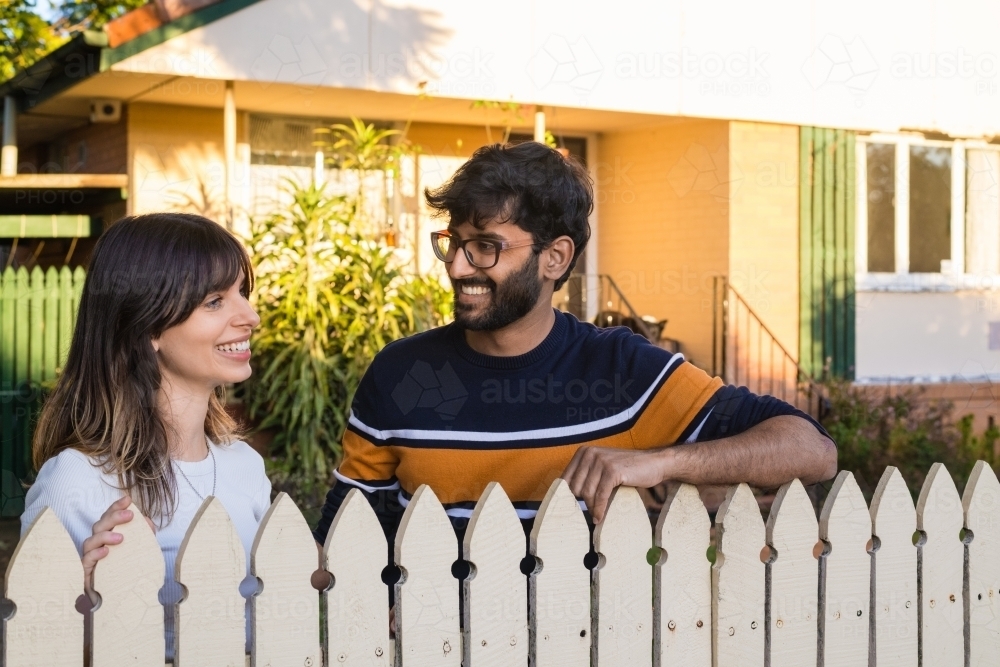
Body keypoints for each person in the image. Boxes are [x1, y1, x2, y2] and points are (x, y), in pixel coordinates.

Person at [312, 141, 836, 557]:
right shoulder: (400, 372)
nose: (457, 266)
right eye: (453, 242)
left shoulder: (622, 371)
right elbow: (344, 534)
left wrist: (661, 462)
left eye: (486, 247)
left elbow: (812, 450)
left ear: (556, 258)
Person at [20, 213, 270, 659]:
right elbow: (38, 642)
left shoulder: (245, 466)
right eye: (215, 301)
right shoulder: (76, 480)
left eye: (243, 294)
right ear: (149, 327)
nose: (249, 316)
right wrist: (83, 591)